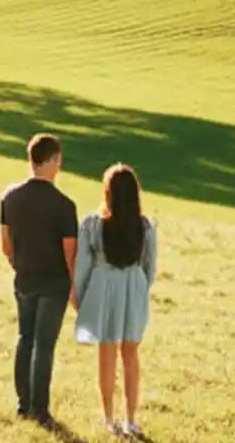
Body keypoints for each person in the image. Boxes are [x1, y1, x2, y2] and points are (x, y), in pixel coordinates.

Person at [0, 133, 79, 427]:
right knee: (44, 345)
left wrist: (17, 264)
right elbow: (70, 253)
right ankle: (40, 409)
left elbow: (5, 244)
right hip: (54, 283)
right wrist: (75, 290)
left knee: (25, 339)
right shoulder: (63, 205)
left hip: (24, 279)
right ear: (54, 160)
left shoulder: (9, 197)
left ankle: (23, 405)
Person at [72, 163, 157, 437]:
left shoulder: (92, 225)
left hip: (102, 289)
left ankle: (109, 419)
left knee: (106, 355)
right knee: (131, 355)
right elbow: (150, 267)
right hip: (133, 287)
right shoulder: (145, 227)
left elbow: (82, 266)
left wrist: (79, 297)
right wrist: (140, 290)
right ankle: (131, 419)